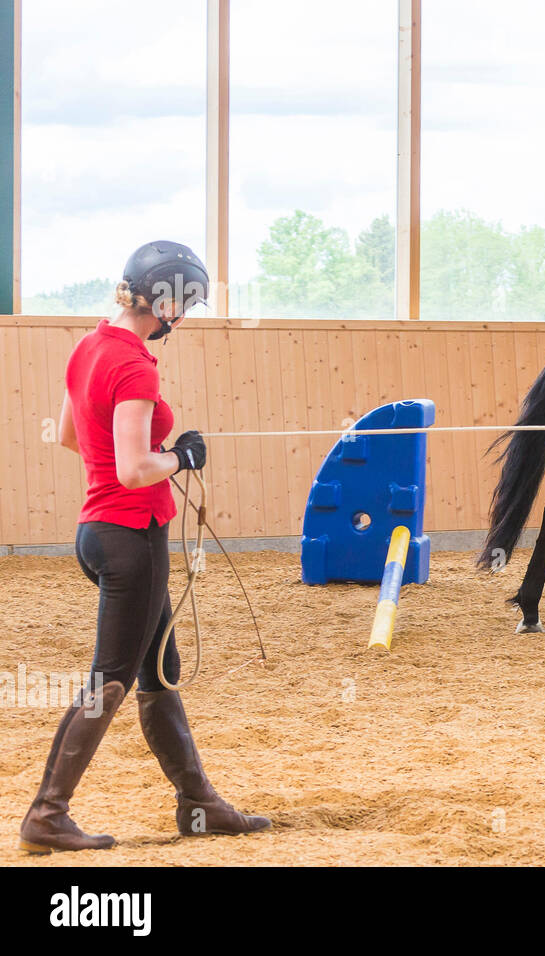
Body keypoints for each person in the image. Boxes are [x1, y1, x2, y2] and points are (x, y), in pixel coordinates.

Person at [18, 241, 270, 854]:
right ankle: (47, 815)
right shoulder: (134, 365)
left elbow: (74, 437)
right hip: (132, 536)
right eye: (184, 308)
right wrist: (179, 457)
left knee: (161, 672)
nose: (180, 321)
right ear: (167, 304)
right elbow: (134, 470)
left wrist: (143, 458)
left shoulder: (90, 346)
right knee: (112, 678)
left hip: (97, 532)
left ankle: (199, 804)